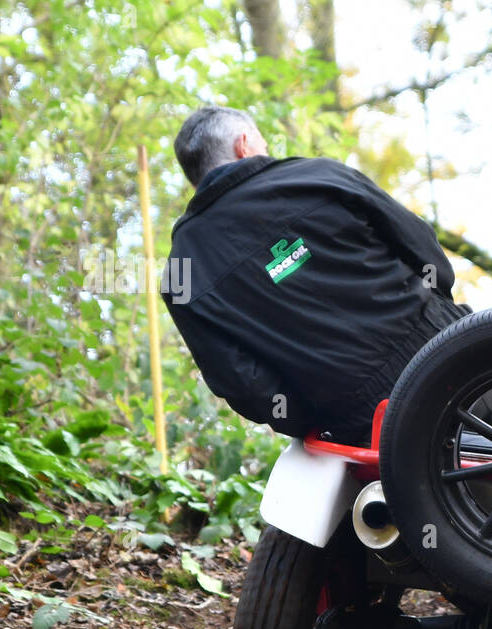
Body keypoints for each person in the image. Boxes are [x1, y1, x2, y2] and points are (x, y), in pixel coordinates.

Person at [161, 105, 471, 446]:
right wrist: (439, 312)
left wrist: (311, 419)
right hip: (451, 356)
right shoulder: (319, 176)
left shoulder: (182, 272)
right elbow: (422, 247)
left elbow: (241, 382)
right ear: (244, 145)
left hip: (363, 422)